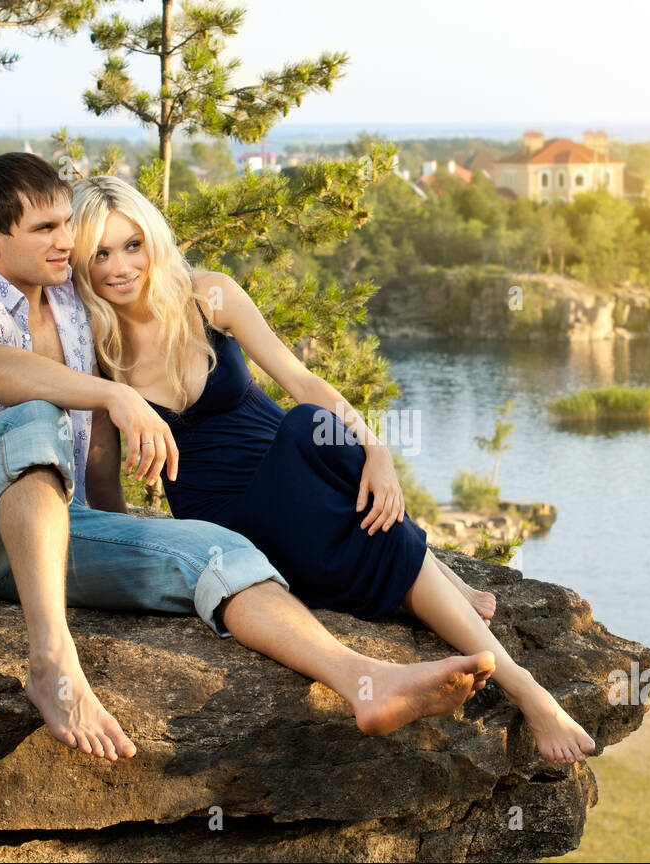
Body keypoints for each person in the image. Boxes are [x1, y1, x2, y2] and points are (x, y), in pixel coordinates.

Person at [0, 152, 496, 763]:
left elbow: (99, 457)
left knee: (214, 549)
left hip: (42, 531)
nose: (66, 241)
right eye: (46, 229)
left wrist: (119, 516)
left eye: (68, 224)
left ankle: (365, 681)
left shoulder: (72, 306)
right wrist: (116, 394)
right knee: (33, 413)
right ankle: (51, 663)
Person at [67, 175, 595, 765]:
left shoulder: (208, 297)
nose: (119, 266)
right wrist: (122, 549)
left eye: (131, 245)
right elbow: (100, 465)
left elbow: (303, 383)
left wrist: (379, 451)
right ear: (81, 263)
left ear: (153, 242)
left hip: (296, 467)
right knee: (322, 460)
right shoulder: (95, 349)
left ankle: (525, 688)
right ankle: (445, 584)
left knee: (308, 425)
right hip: (226, 518)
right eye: (100, 253)